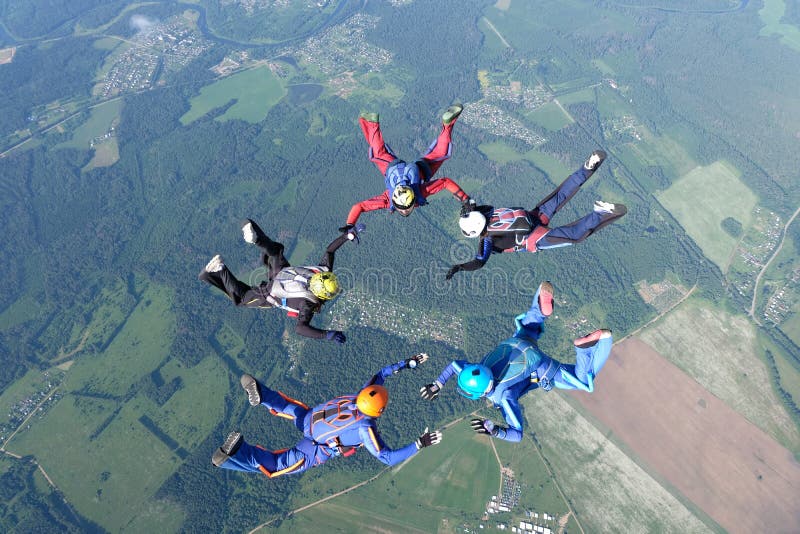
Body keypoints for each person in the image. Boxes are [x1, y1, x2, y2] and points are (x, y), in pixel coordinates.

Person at [419, 282, 613, 442]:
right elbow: (454, 366)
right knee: (529, 327)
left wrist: (494, 431)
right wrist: (437, 385)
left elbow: (517, 434)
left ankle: (586, 349)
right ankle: (540, 308)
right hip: (517, 343)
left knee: (582, 381)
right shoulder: (477, 368)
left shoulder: (503, 397)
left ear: (484, 392)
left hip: (540, 366)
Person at [212, 354, 442, 476]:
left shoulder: (359, 396)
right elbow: (387, 458)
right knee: (276, 466)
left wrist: (409, 363)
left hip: (311, 420)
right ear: (378, 411)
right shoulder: (366, 428)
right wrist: (419, 444)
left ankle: (262, 395)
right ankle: (233, 456)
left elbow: (381, 374)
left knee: (287, 406)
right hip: (316, 449)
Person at [446, 151, 626, 280]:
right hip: (534, 216)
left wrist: (459, 267)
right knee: (561, 194)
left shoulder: (487, 240)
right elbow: (470, 203)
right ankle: (587, 168)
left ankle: (600, 213)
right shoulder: (485, 211)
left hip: (535, 238)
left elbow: (479, 262)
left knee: (574, 236)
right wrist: (465, 204)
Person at [198, 219, 364, 343]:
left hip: (282, 273)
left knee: (276, 251)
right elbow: (300, 329)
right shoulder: (308, 304)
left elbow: (330, 250)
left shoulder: (323, 271)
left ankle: (257, 240)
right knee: (241, 299)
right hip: (271, 293)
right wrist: (327, 335)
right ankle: (220, 269)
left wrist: (347, 235)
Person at [340, 104, 475, 231]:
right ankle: (372, 123)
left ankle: (447, 124)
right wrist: (350, 224)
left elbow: (445, 182)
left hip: (415, 169)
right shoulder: (389, 199)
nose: (404, 211)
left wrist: (465, 199)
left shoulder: (416, 193)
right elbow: (359, 207)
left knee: (440, 153)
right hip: (398, 168)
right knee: (378, 153)